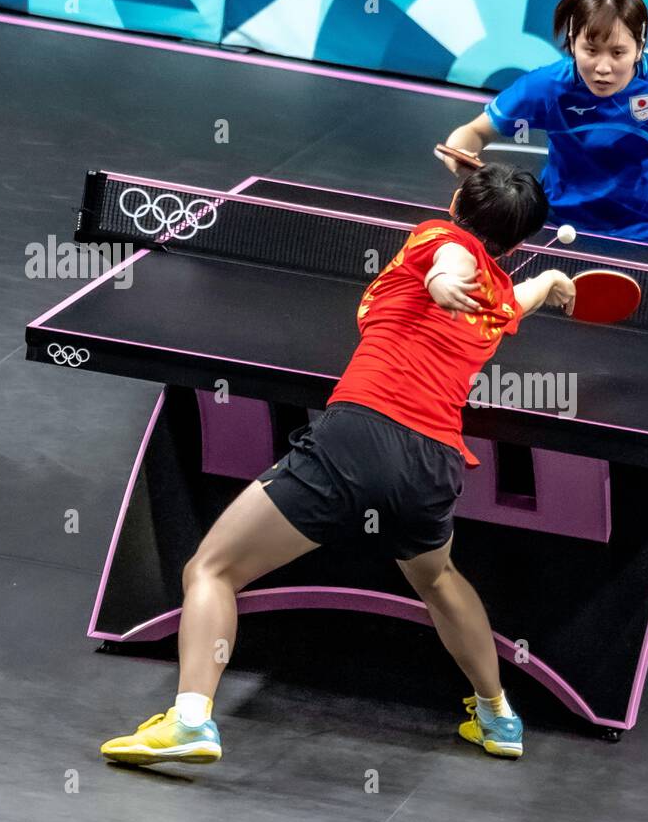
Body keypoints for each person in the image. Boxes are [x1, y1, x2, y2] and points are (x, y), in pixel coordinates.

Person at [100, 163, 574, 764]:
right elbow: (510, 297)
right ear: (520, 243)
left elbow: (450, 261)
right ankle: (500, 718)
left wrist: (443, 283)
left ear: (456, 200)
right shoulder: (496, 298)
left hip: (358, 437)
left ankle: (191, 720)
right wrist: (551, 279)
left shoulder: (440, 237)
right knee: (438, 578)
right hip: (434, 465)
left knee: (212, 570)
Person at [440, 0, 648, 536]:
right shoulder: (547, 86)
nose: (602, 66)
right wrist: (461, 152)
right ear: (572, 42)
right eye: (590, 50)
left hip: (647, 240)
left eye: (617, 52)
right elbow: (472, 131)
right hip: (555, 236)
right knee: (506, 347)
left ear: (640, 43)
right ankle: (468, 453)